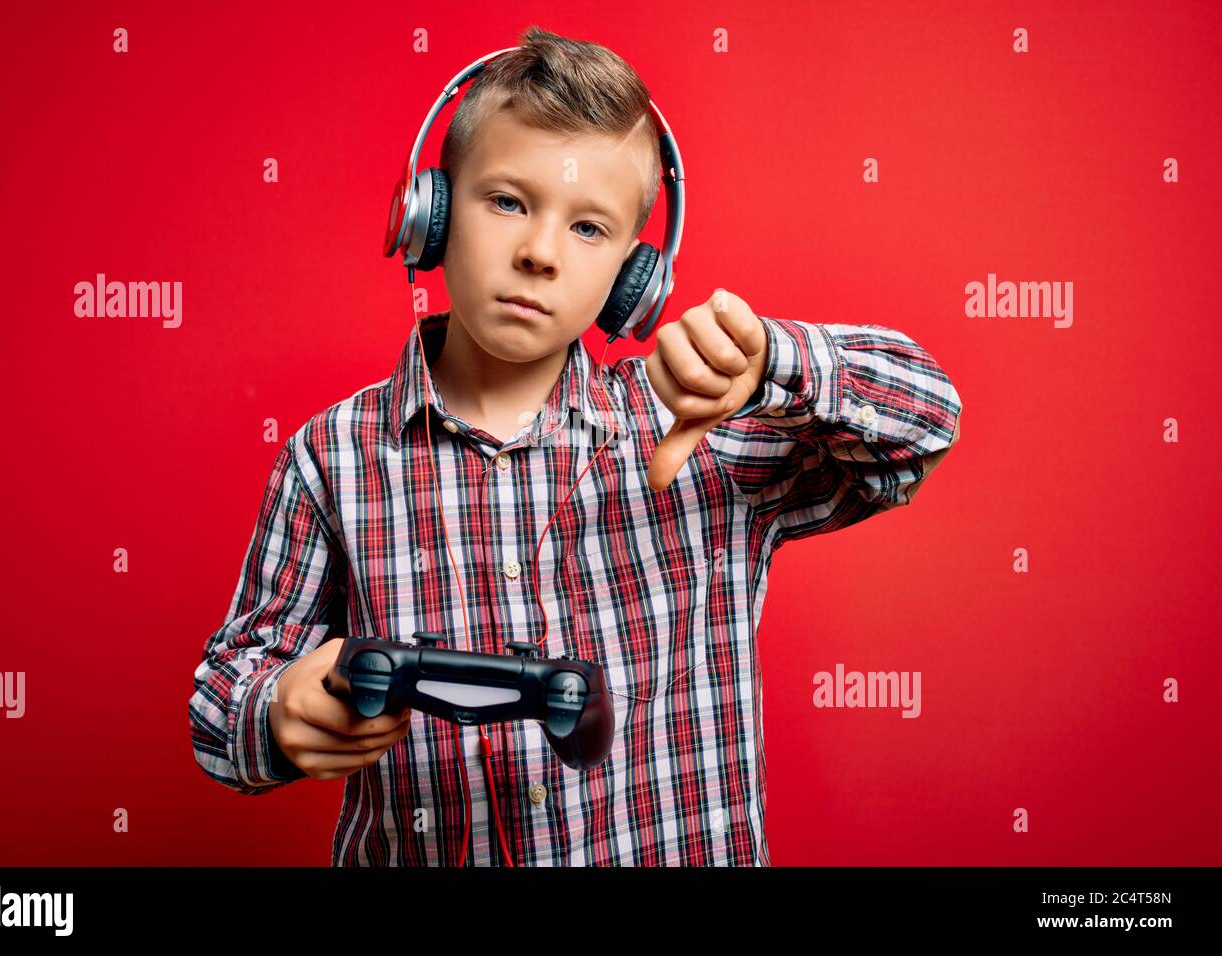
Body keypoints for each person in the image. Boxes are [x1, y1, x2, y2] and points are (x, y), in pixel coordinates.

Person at [188, 25, 963, 866]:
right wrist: (273, 711)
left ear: (637, 277)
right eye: (508, 201)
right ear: (431, 215)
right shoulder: (329, 458)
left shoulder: (701, 435)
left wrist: (775, 359)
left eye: (589, 229)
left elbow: (923, 427)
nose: (539, 253)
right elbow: (226, 695)